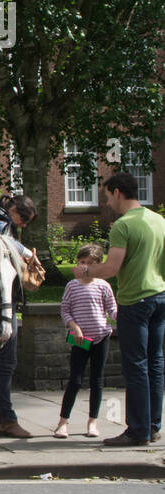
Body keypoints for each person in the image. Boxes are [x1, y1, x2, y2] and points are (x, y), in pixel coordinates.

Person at [77, 173, 165, 446]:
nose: (106, 201)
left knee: (136, 365)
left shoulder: (123, 225)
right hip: (160, 297)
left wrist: (86, 270)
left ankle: (137, 430)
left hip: (134, 302)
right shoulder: (159, 221)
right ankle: (152, 426)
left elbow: (112, 268)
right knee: (156, 363)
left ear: (117, 192)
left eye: (106, 195)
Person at [0, 194, 39, 438]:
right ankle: (7, 419)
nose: (23, 224)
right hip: (3, 307)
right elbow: (7, 243)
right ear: (12, 208)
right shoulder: (0, 223)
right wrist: (27, 253)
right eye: (23, 218)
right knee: (6, 364)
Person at [55, 244, 117, 438]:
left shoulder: (103, 285)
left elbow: (112, 310)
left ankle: (93, 421)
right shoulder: (72, 286)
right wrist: (74, 327)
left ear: (98, 265)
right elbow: (65, 310)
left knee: (97, 381)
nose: (85, 266)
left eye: (90, 263)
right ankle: (63, 422)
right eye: (82, 262)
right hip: (81, 340)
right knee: (75, 380)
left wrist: (124, 315)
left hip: (101, 337)